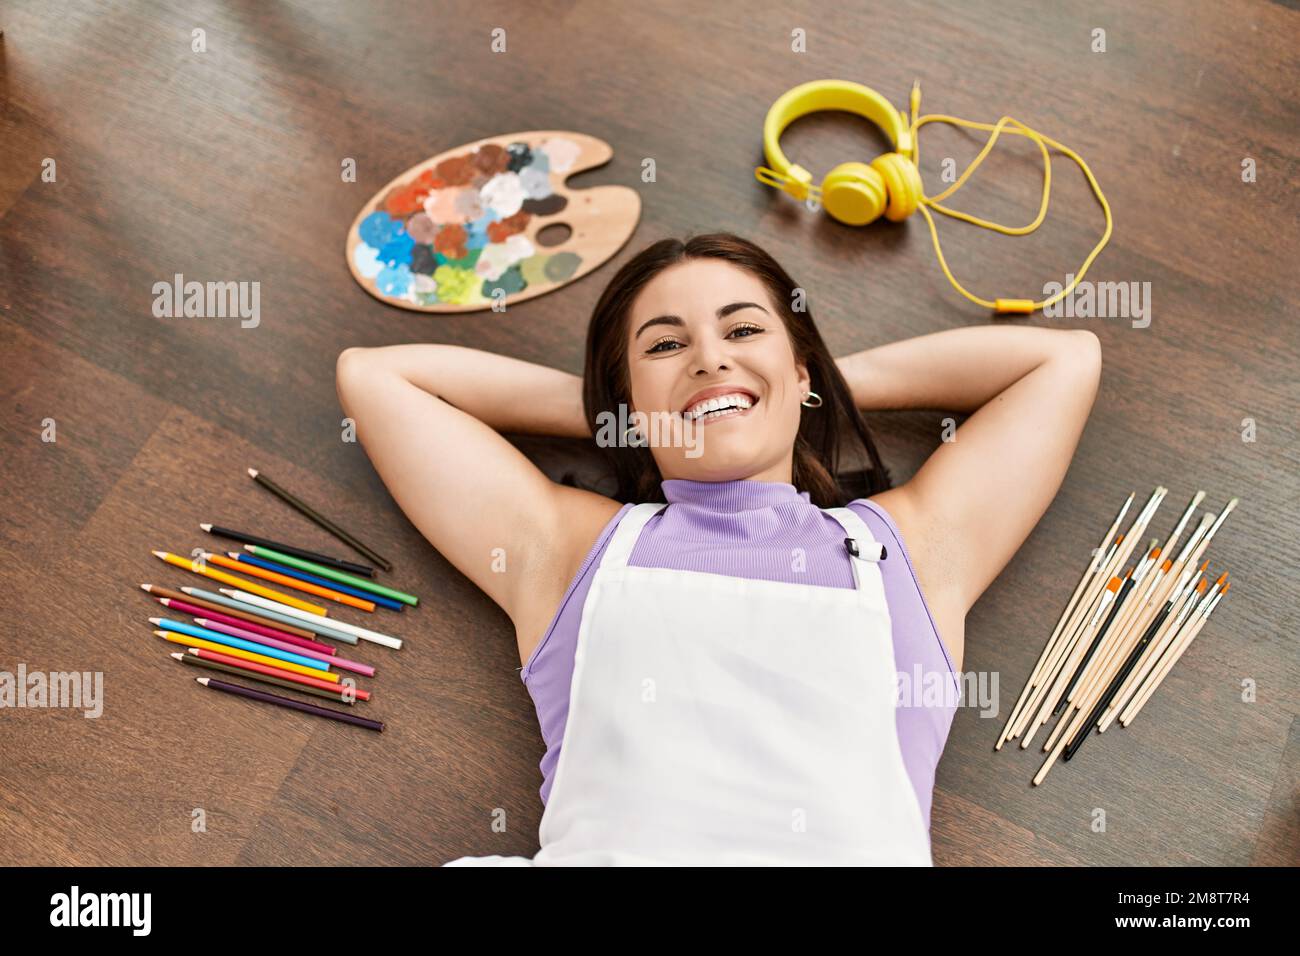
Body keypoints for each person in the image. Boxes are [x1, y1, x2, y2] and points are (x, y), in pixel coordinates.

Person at [335, 233, 1102, 865]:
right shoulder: (571, 553)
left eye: (743, 331)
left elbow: (1062, 364)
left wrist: (800, 385)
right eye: (666, 345)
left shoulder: (908, 551)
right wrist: (641, 410)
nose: (709, 357)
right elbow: (376, 379)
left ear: (802, 369)